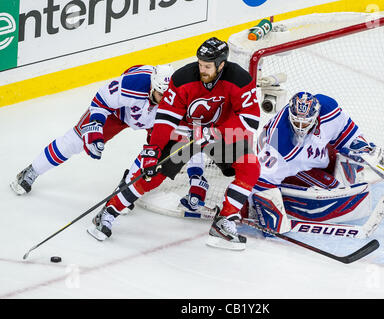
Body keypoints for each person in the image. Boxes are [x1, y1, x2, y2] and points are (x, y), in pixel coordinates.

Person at [88, 37, 261, 251]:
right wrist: (153, 152)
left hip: (219, 133)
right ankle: (108, 212)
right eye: (200, 64)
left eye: (207, 66)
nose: (202, 69)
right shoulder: (183, 78)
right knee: (153, 175)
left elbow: (250, 120)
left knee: (250, 167)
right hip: (184, 132)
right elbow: (165, 119)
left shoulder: (240, 80)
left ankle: (223, 223)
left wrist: (215, 132)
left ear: (221, 64)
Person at [10, 64, 174, 195]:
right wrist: (94, 132)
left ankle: (125, 191)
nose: (163, 100)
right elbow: (101, 101)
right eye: (160, 94)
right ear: (152, 86)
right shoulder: (133, 83)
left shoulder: (172, 96)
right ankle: (32, 170)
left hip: (152, 120)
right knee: (74, 142)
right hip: (117, 113)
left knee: (157, 151)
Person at [247, 91, 384, 232]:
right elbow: (261, 178)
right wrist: (264, 211)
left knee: (337, 160)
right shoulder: (280, 143)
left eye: (306, 122)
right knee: (333, 187)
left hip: (309, 153)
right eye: (296, 122)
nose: (300, 128)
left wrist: (364, 149)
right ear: (290, 116)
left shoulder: (328, 109)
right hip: (289, 162)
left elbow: (346, 132)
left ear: (316, 115)